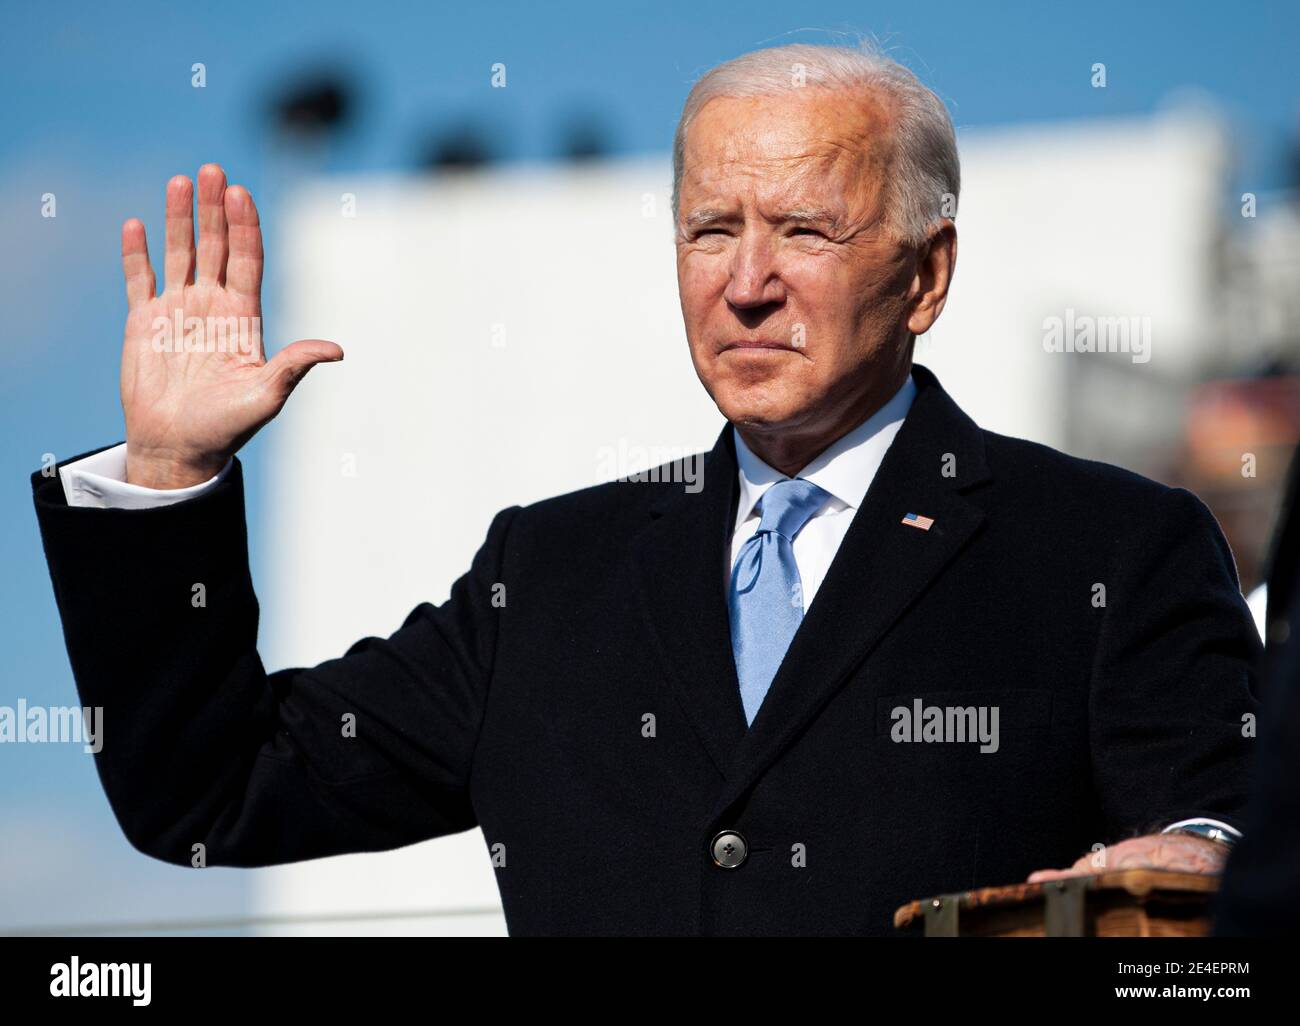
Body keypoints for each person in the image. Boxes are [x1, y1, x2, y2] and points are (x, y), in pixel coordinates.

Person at [31, 42, 1258, 936]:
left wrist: (1203, 863)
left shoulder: (1112, 549)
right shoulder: (550, 575)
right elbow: (210, 792)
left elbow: (1219, 858)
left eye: (805, 231)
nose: (748, 283)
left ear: (926, 277)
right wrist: (174, 474)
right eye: (709, 230)